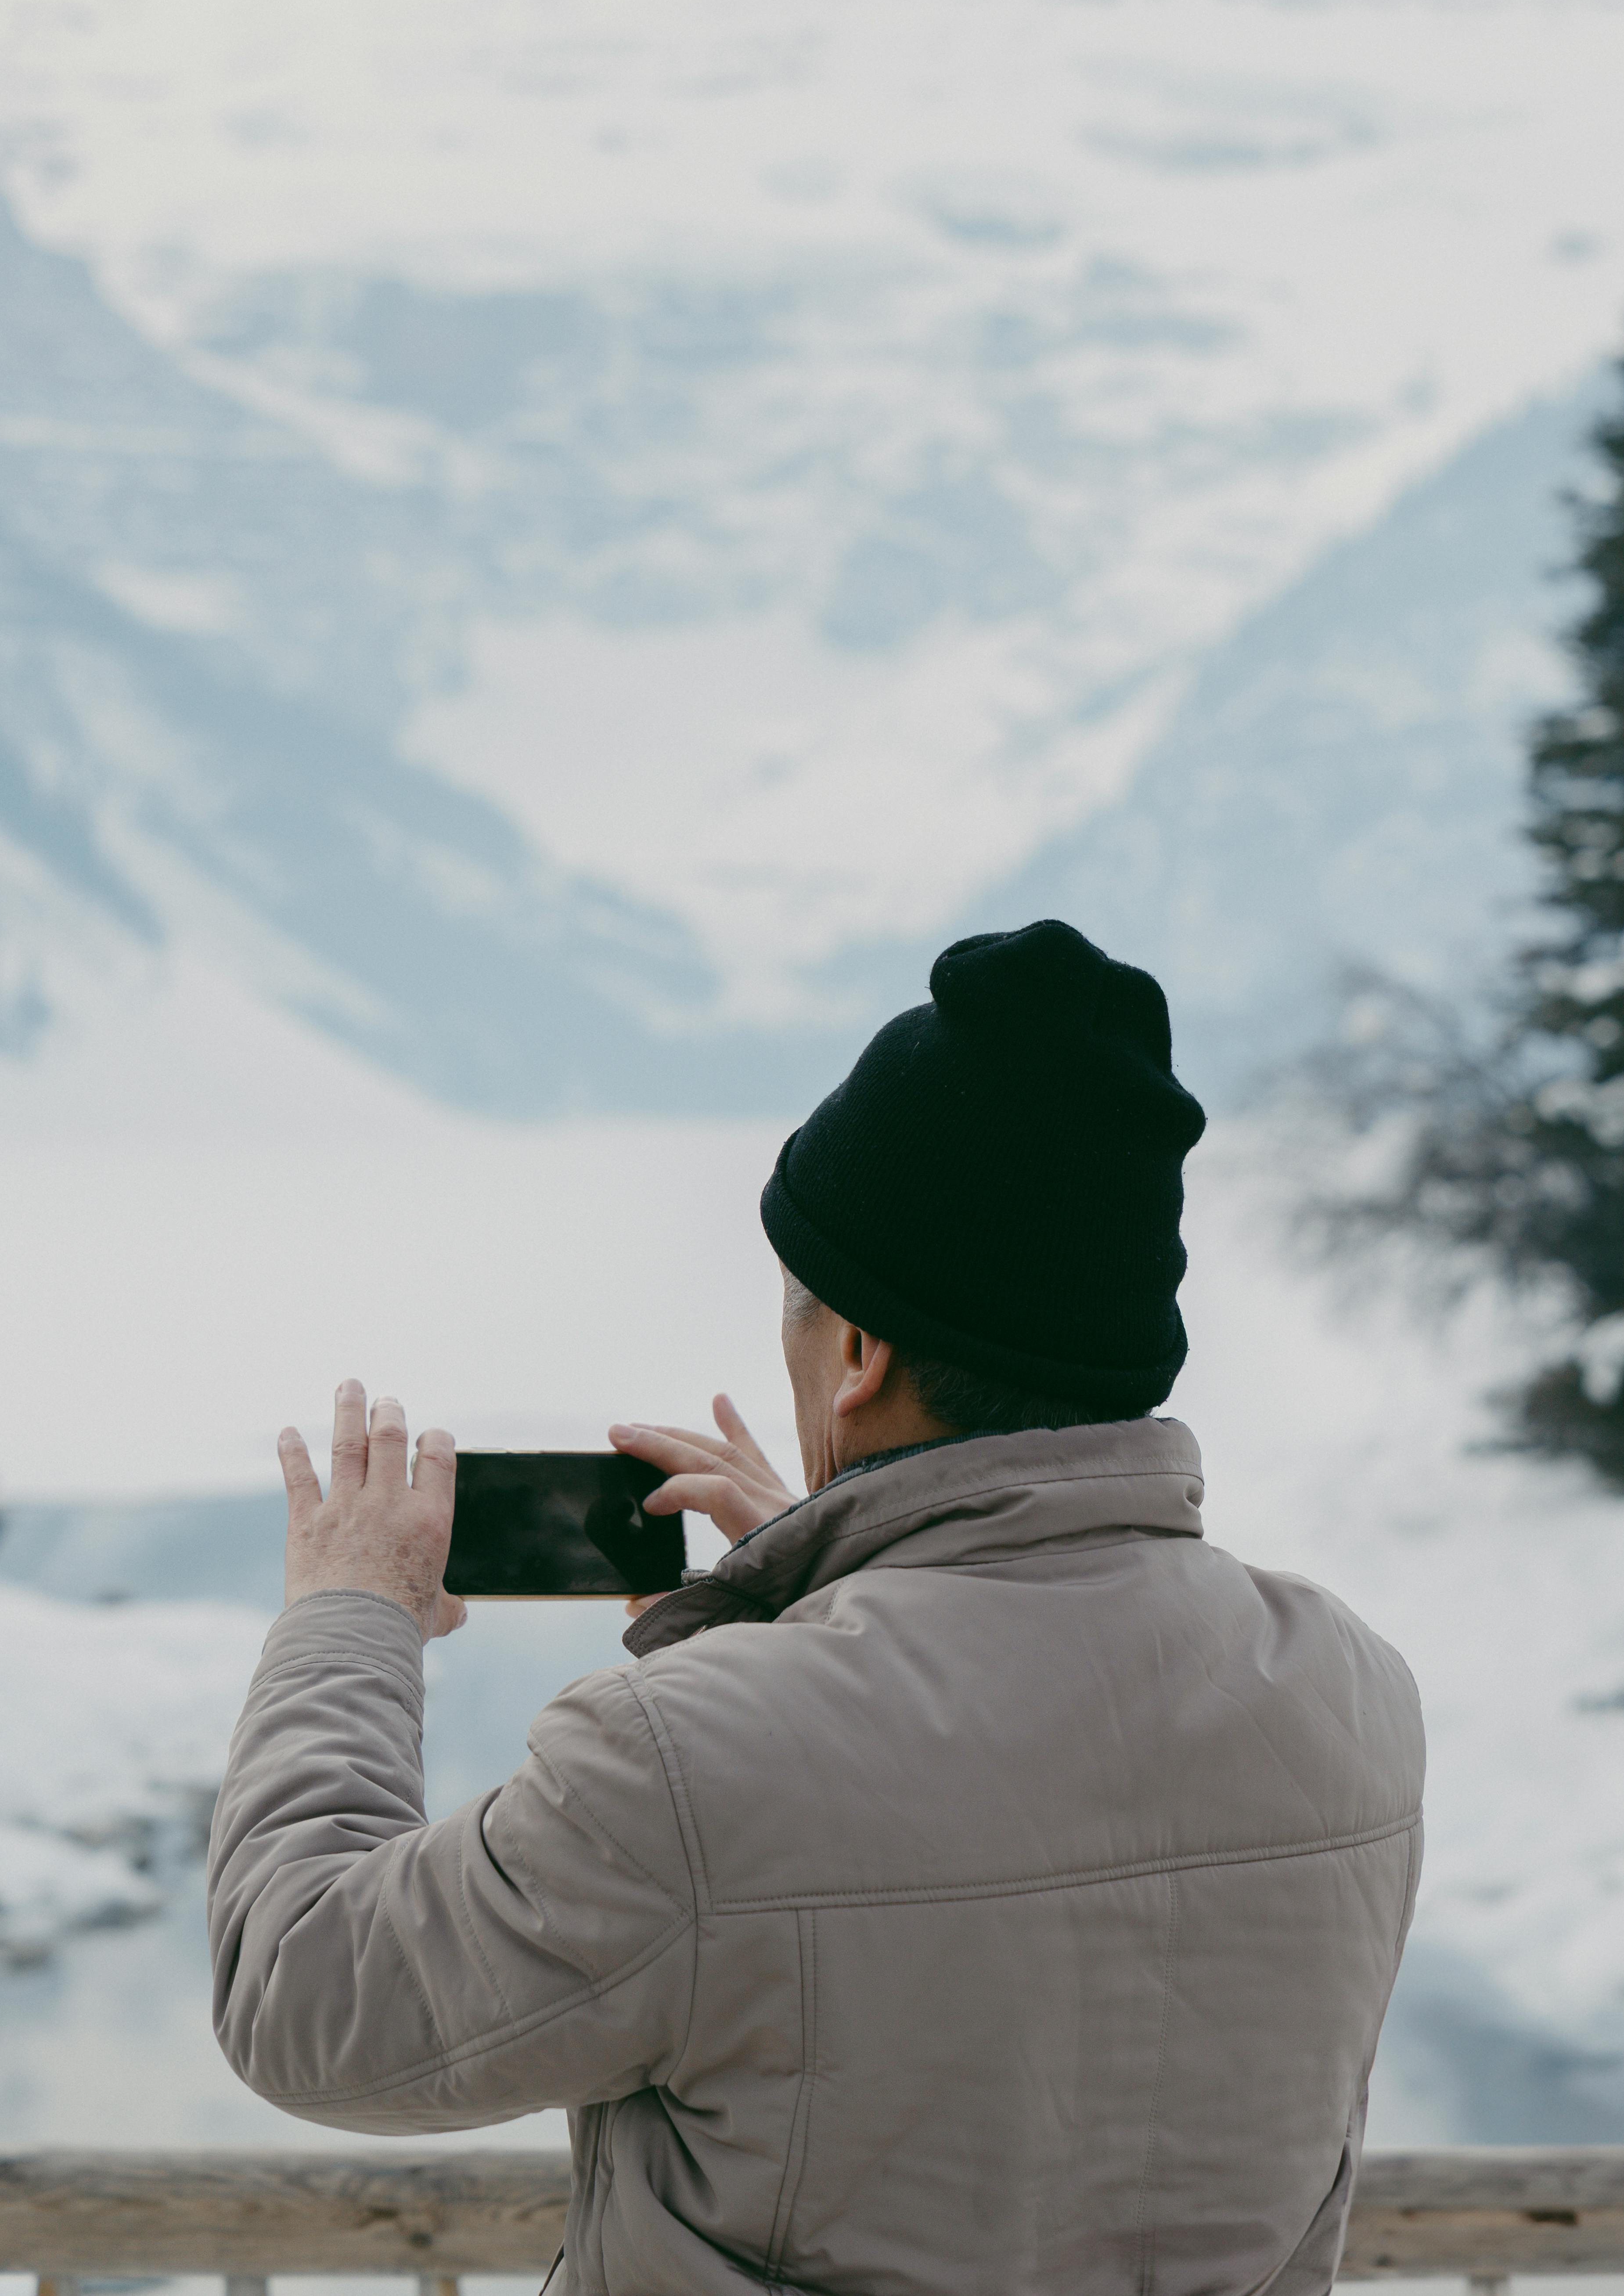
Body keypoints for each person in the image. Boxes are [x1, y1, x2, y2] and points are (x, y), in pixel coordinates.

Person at [210, 919, 1424, 2296]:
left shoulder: (688, 1761)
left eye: (797, 1318)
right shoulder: (1350, 1693)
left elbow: (304, 1996)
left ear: (854, 1352)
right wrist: (828, 1588)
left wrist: (346, 1616)